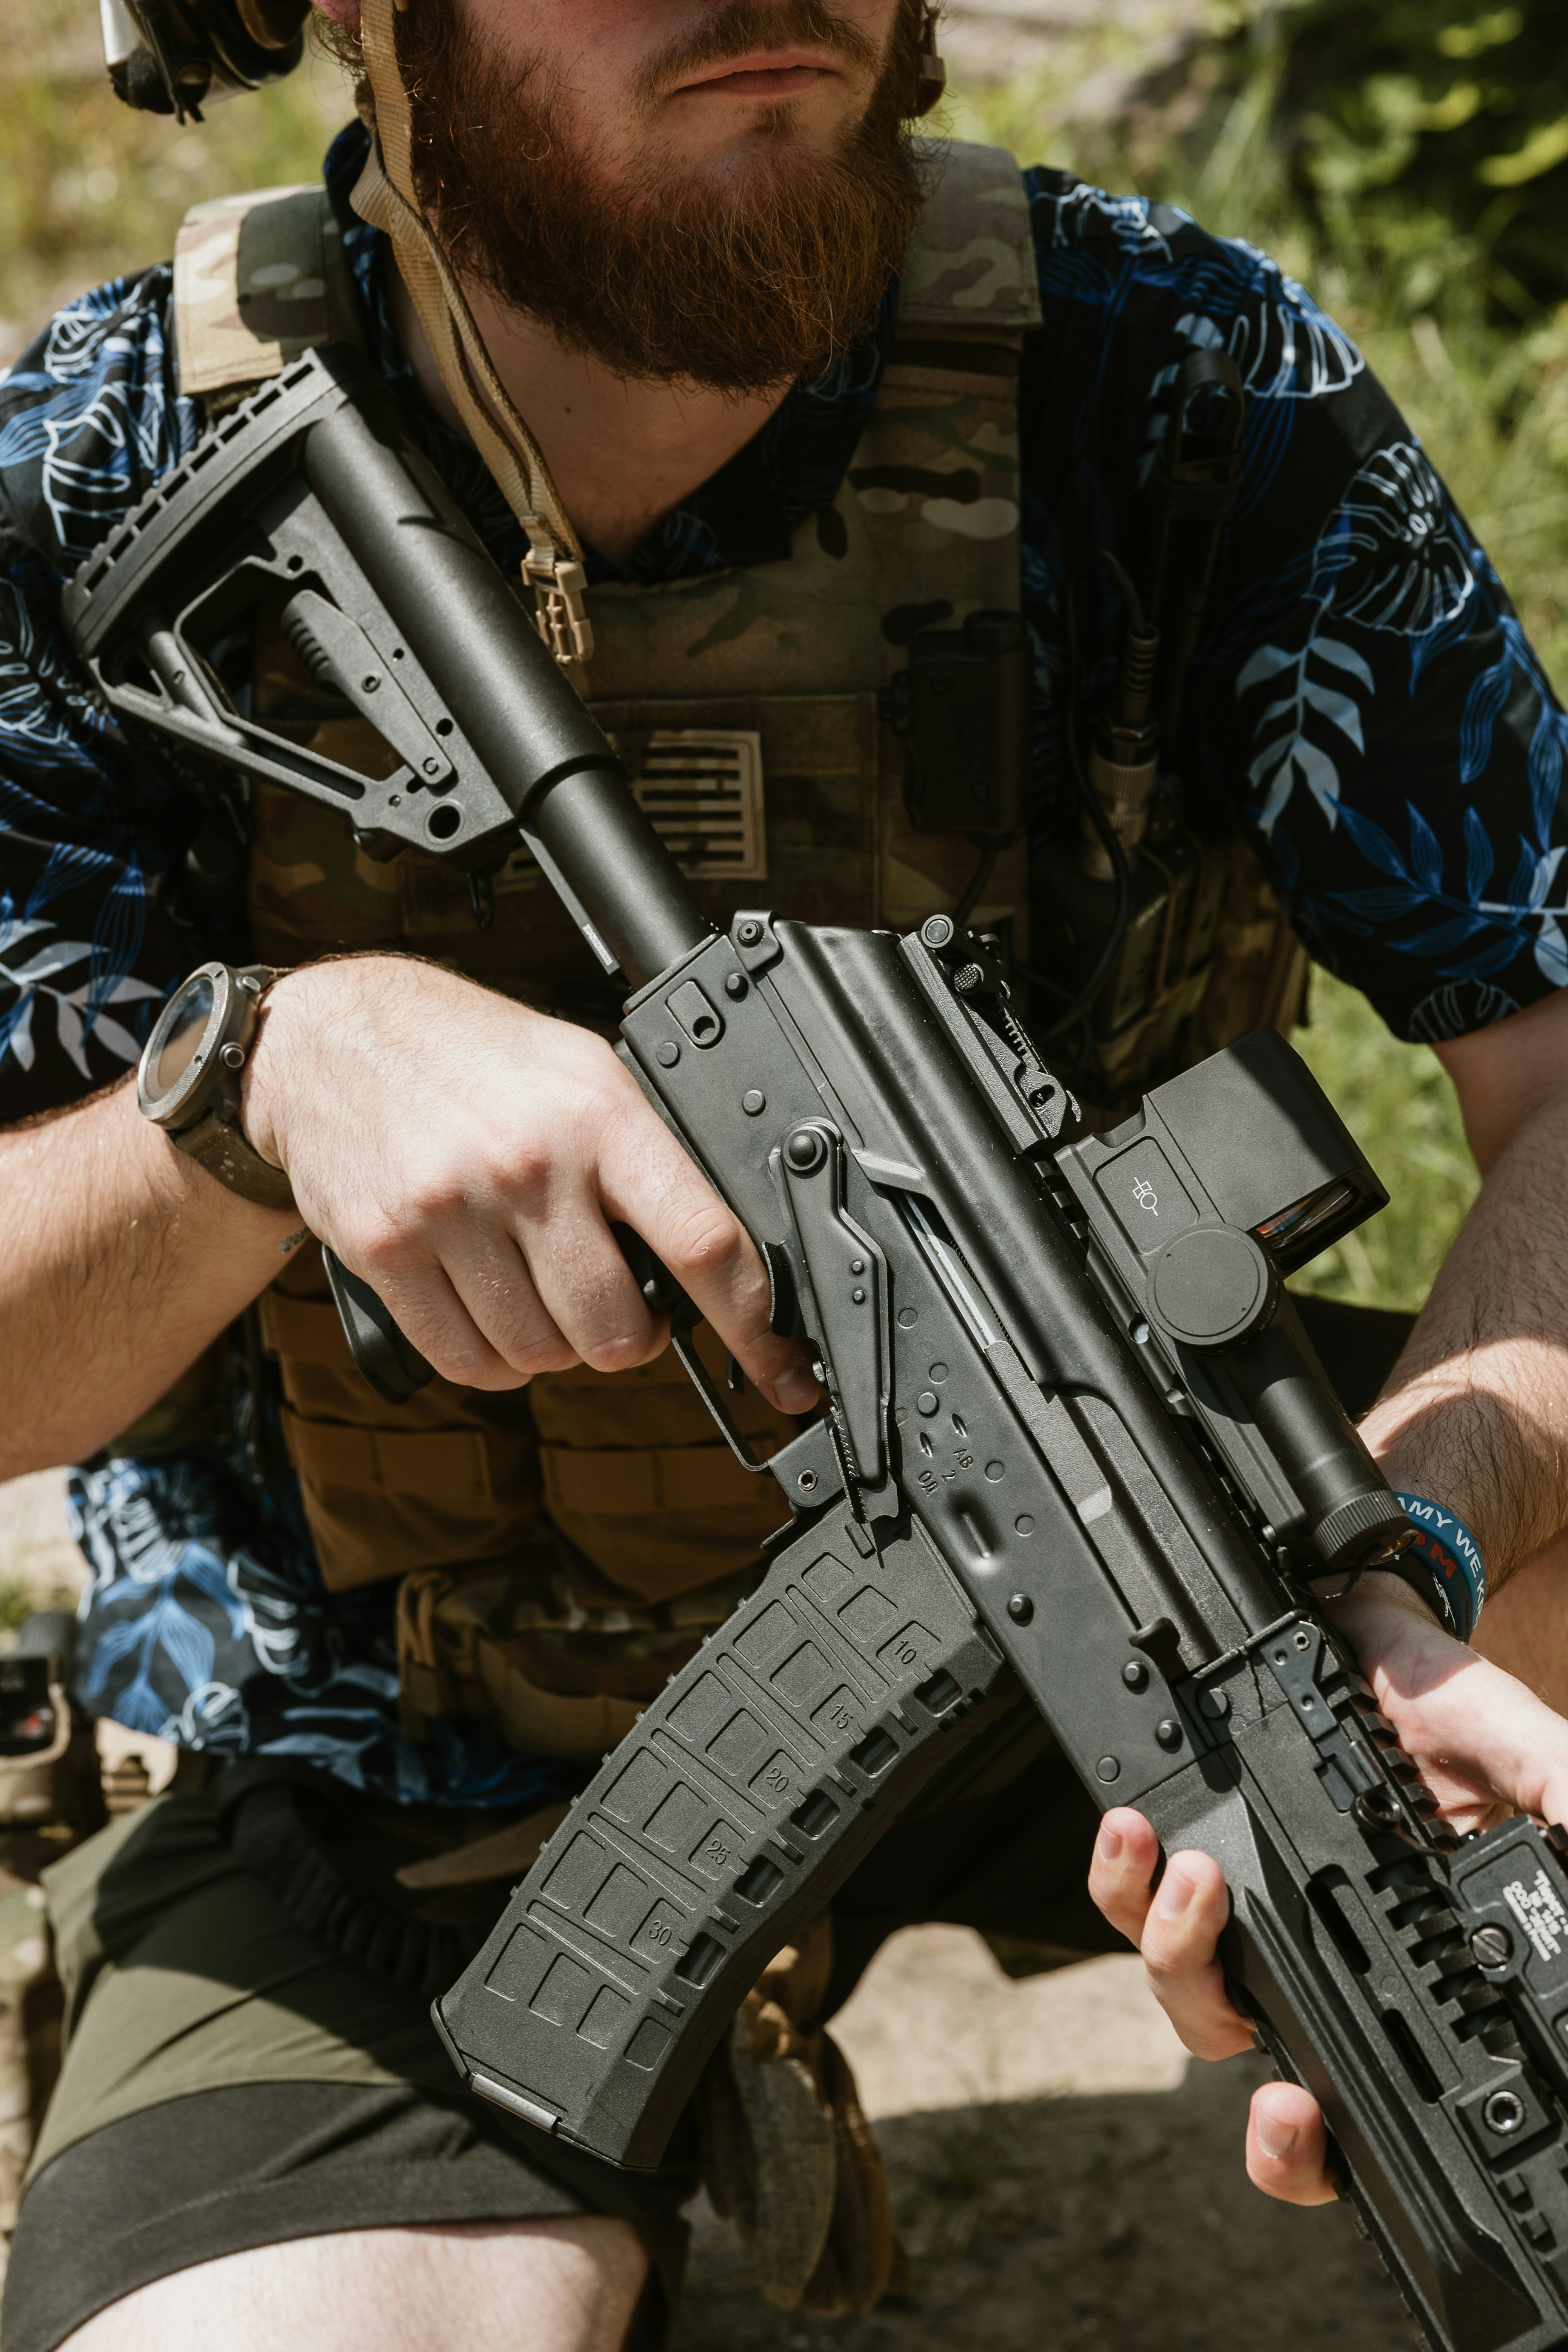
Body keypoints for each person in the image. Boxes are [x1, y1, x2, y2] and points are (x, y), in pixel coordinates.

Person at [3, 0, 1568, 2344]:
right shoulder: (111, 463)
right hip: (400, 1773)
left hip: (1192, 1579)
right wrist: (267, 1087)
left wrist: (1403, 1540)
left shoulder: (1174, 372)